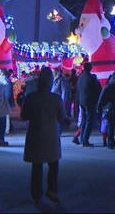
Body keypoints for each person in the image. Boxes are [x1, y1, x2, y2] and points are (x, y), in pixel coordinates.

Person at [21, 67, 64, 204]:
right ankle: (52, 189)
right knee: (53, 164)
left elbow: (24, 115)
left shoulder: (31, 97)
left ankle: (36, 193)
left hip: (35, 133)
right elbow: (62, 116)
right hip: (51, 133)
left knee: (37, 165)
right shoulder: (56, 99)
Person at [97, 71, 115, 150]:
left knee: (110, 126)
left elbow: (102, 97)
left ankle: (110, 143)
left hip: (109, 108)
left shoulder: (108, 86)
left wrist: (99, 107)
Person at [77, 63, 101, 147]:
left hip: (82, 100)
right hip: (89, 101)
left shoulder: (81, 77)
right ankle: (85, 139)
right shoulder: (91, 78)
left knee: (84, 120)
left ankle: (82, 138)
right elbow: (96, 89)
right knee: (89, 120)